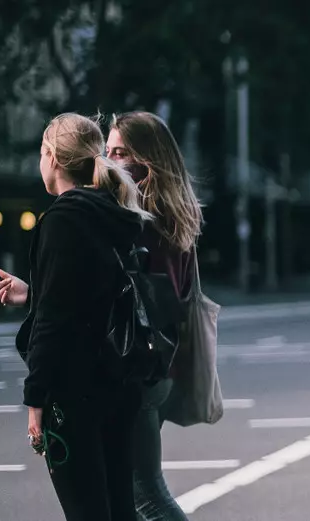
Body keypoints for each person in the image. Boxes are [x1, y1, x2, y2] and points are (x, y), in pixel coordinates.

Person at [5, 113, 154, 520]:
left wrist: (35, 399)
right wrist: (34, 292)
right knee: (120, 509)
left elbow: (55, 320)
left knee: (87, 512)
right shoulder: (112, 211)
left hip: (74, 393)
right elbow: (87, 297)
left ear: (52, 157)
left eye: (41, 153)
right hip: (118, 385)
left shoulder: (62, 220)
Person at [108, 111, 203, 519]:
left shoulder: (138, 216)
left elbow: (118, 291)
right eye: (106, 150)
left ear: (147, 160)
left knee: (146, 494)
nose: (109, 161)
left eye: (120, 152)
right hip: (159, 365)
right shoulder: (171, 212)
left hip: (140, 368)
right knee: (128, 498)